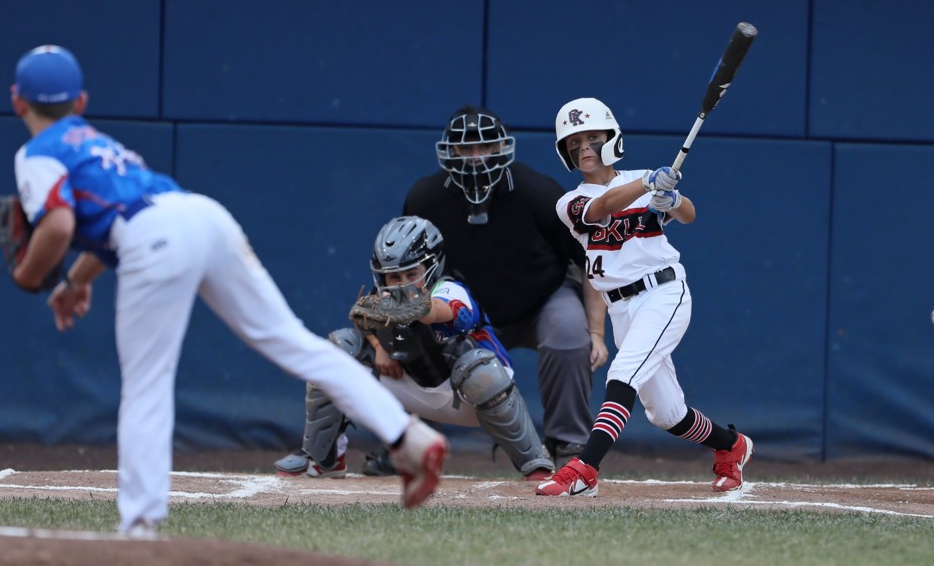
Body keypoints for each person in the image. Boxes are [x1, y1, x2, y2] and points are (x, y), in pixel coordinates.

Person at [4, 45, 447, 535]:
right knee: (293, 342)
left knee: (146, 385)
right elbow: (123, 213)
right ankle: (406, 436)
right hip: (203, 216)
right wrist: (74, 282)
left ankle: (139, 526)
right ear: (81, 102)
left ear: (17, 101)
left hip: (154, 239)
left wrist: (29, 275)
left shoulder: (37, 151)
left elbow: (59, 224)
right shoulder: (96, 142)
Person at [535, 97, 753, 497]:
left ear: (611, 139)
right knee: (666, 413)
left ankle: (585, 468)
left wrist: (671, 200)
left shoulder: (642, 180)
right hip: (621, 306)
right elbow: (602, 205)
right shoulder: (568, 202)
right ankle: (731, 446)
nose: (583, 146)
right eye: (574, 142)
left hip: (664, 292)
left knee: (623, 374)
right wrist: (649, 183)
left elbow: (689, 215)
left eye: (592, 137)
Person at [402, 104, 608, 467]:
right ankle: (402, 442)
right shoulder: (425, 198)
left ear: (502, 148)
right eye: (466, 148)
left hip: (540, 299)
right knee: (409, 341)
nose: (476, 158)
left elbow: (589, 259)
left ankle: (569, 444)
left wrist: (596, 332)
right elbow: (407, 269)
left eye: (484, 147)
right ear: (450, 152)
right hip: (459, 308)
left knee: (569, 337)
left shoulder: (538, 192)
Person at [274, 216, 555, 481]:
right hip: (408, 388)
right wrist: (378, 347)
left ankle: (534, 462)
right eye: (394, 278)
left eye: (412, 274)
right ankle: (323, 458)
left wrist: (416, 306)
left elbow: (439, 311)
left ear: (431, 268)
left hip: (465, 398)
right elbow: (365, 324)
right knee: (338, 348)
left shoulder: (448, 289)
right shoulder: (378, 298)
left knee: (479, 368)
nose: (402, 284)